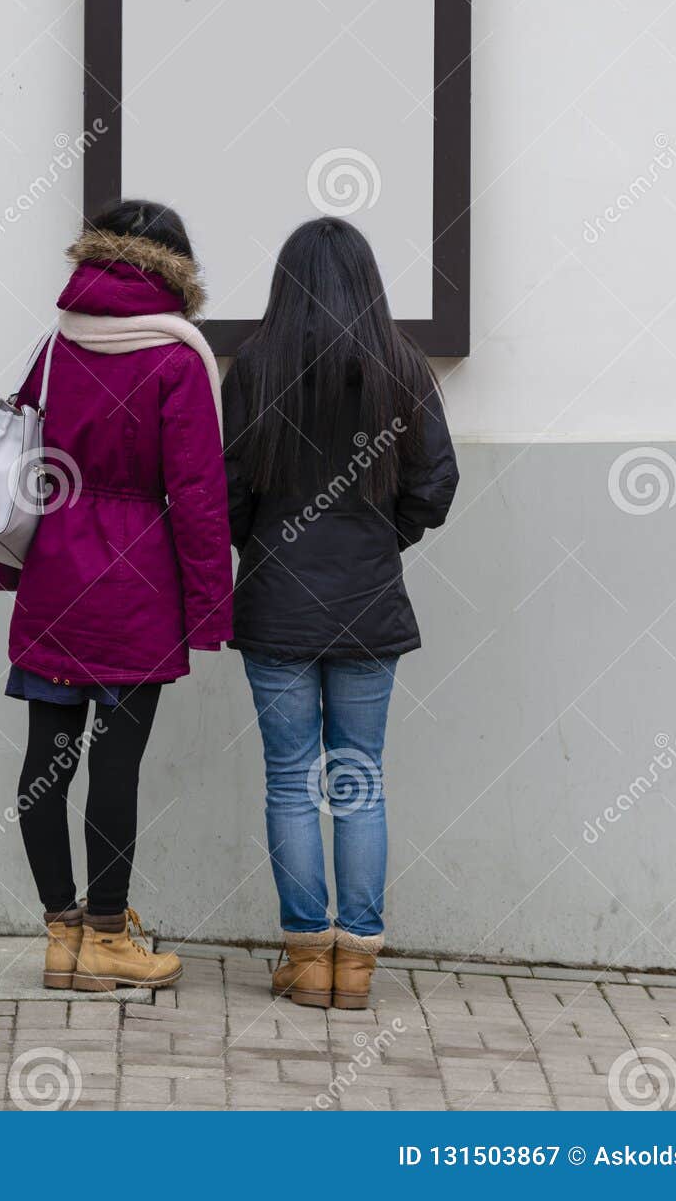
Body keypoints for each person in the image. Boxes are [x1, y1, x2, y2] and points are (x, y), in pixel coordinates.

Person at [0, 200, 232, 992]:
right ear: (176, 270)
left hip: (56, 575)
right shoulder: (176, 359)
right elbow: (197, 495)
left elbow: (19, 463)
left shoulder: (57, 345)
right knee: (114, 768)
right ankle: (108, 939)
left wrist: (10, 571)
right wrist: (210, 610)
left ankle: (62, 937)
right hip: (137, 589)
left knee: (45, 764)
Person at [224, 217, 458, 1010]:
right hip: (368, 605)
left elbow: (228, 495)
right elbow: (435, 485)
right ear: (368, 281)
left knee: (291, 781)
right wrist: (379, 540)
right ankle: (355, 964)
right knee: (359, 779)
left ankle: (305, 957)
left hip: (276, 605)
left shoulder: (254, 368)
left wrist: (264, 546)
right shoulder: (402, 365)